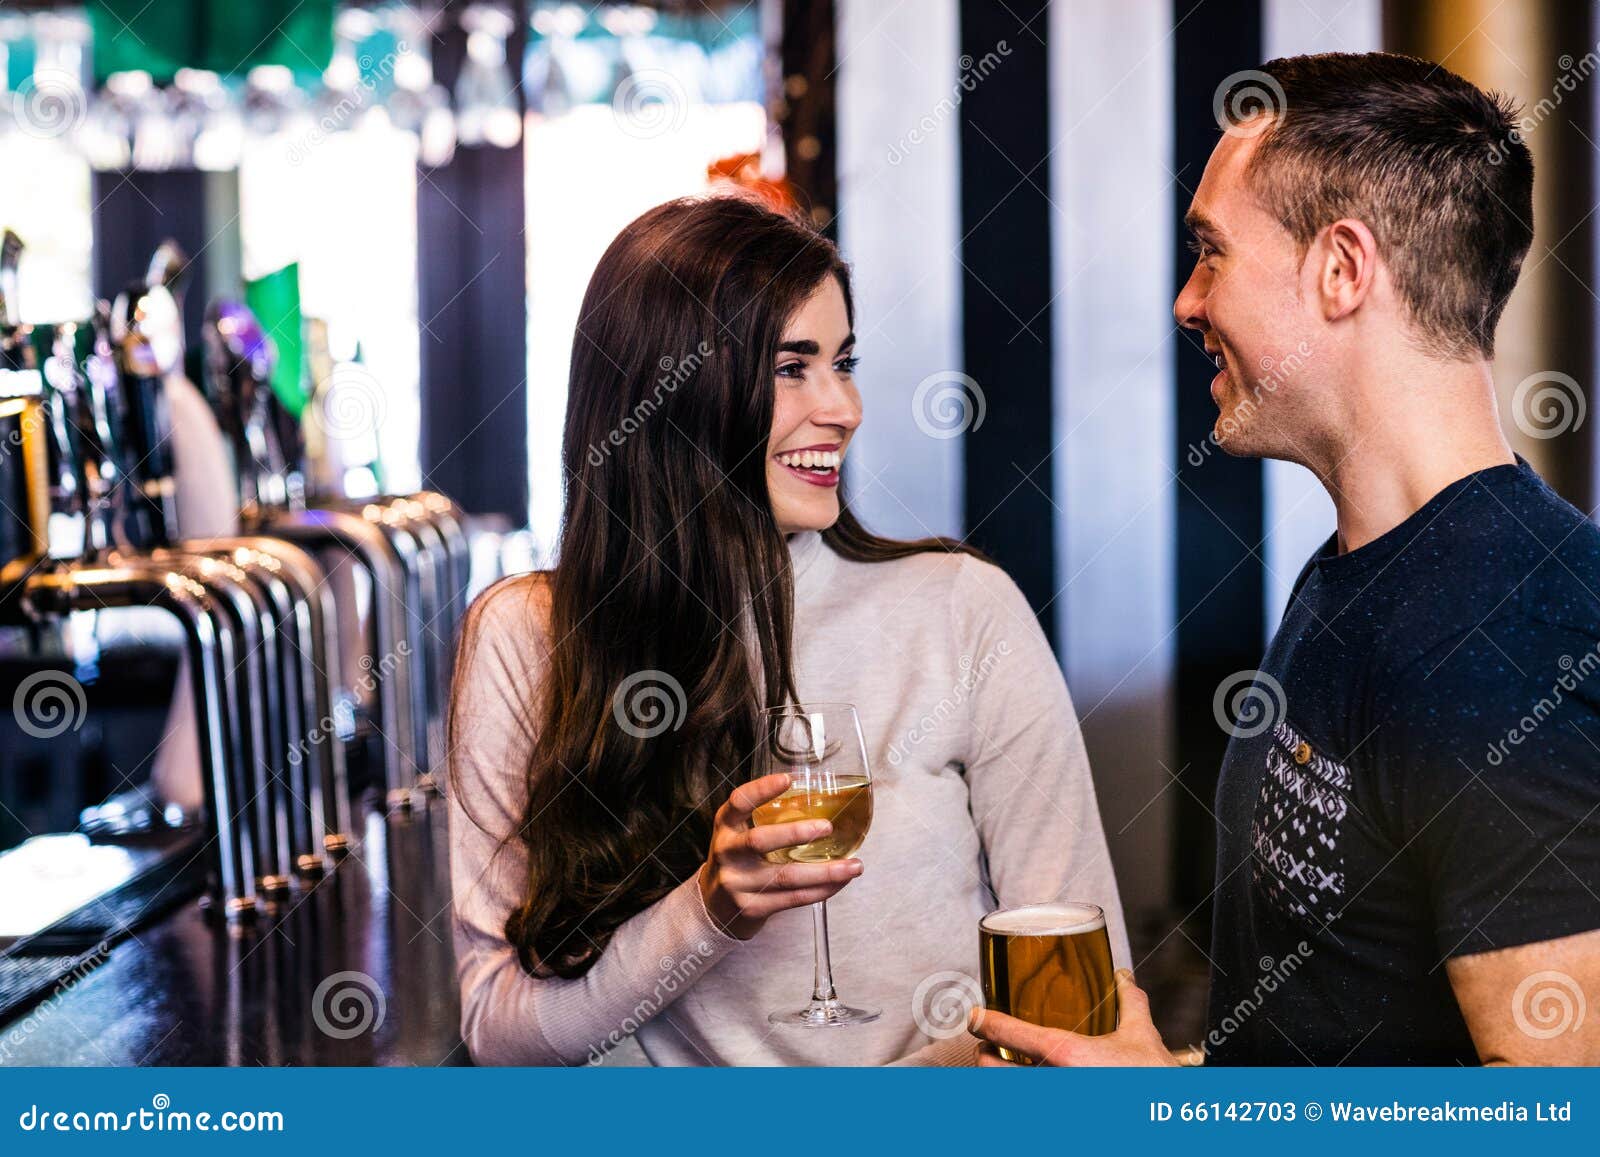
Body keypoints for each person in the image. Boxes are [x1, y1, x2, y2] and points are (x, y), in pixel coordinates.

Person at [972, 51, 1600, 1066]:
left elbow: (1553, 1116)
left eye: (1211, 251)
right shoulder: (1365, 567)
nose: (1185, 300)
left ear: (1342, 270)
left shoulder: (1511, 641)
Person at [447, 193, 1129, 1066]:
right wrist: (708, 910)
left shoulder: (962, 607)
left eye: (843, 363)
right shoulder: (526, 637)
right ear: (671, 393)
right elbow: (501, 1033)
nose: (842, 407)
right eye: (791, 366)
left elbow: (1078, 983)